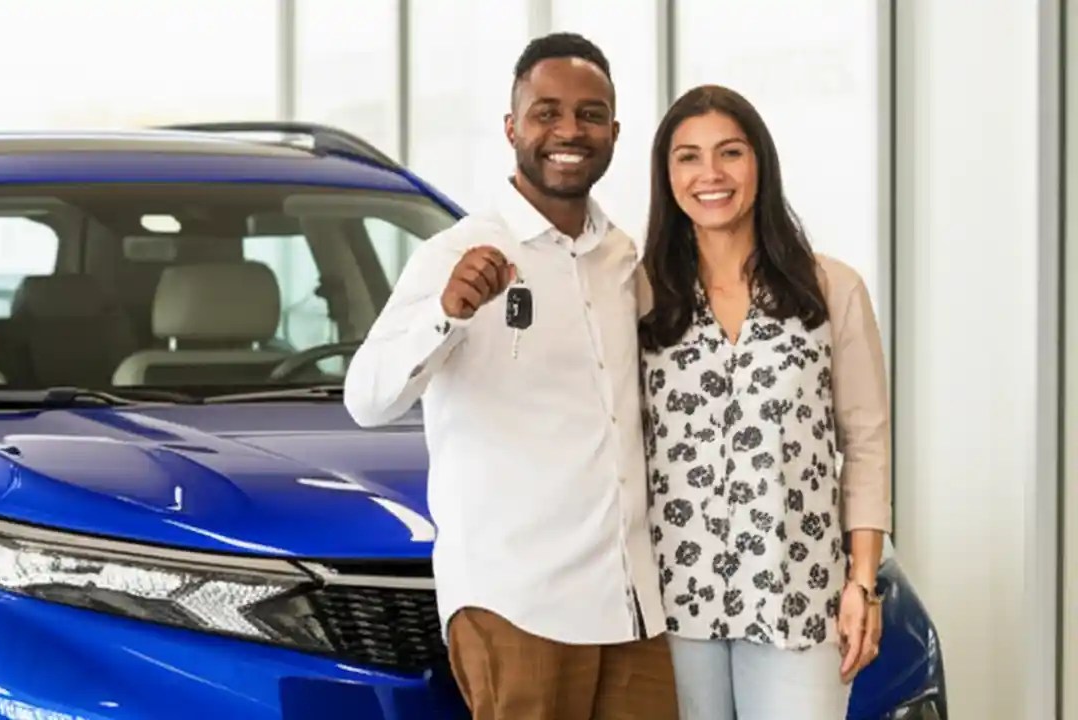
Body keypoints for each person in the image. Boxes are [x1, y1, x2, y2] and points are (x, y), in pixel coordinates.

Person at [344, 32, 678, 720]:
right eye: (546, 111)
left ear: (614, 131)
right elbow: (367, 399)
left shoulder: (622, 258)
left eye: (590, 114)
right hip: (519, 604)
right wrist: (445, 314)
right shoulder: (459, 252)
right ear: (511, 127)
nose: (568, 131)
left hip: (633, 605)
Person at [637, 83, 891, 719]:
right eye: (688, 157)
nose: (710, 174)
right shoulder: (639, 296)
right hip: (669, 607)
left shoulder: (830, 288)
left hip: (798, 598)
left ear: (761, 165)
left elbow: (866, 444)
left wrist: (862, 581)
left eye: (730, 153)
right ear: (666, 175)